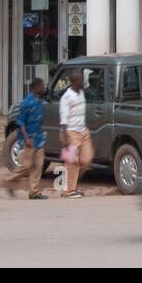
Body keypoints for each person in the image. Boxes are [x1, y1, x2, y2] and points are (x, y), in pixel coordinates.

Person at [6, 78, 48, 200]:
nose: (43, 88)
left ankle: (34, 192)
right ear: (35, 88)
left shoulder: (39, 101)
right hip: (29, 139)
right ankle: (10, 180)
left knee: (39, 165)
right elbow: (21, 122)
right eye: (41, 86)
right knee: (27, 166)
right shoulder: (26, 103)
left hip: (39, 138)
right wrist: (26, 138)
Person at [59, 70, 93, 198]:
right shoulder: (66, 97)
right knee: (72, 162)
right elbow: (63, 119)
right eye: (80, 80)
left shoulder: (82, 93)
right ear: (74, 82)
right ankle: (69, 191)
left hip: (83, 131)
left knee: (86, 160)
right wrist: (65, 139)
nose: (83, 82)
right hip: (71, 132)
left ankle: (71, 186)